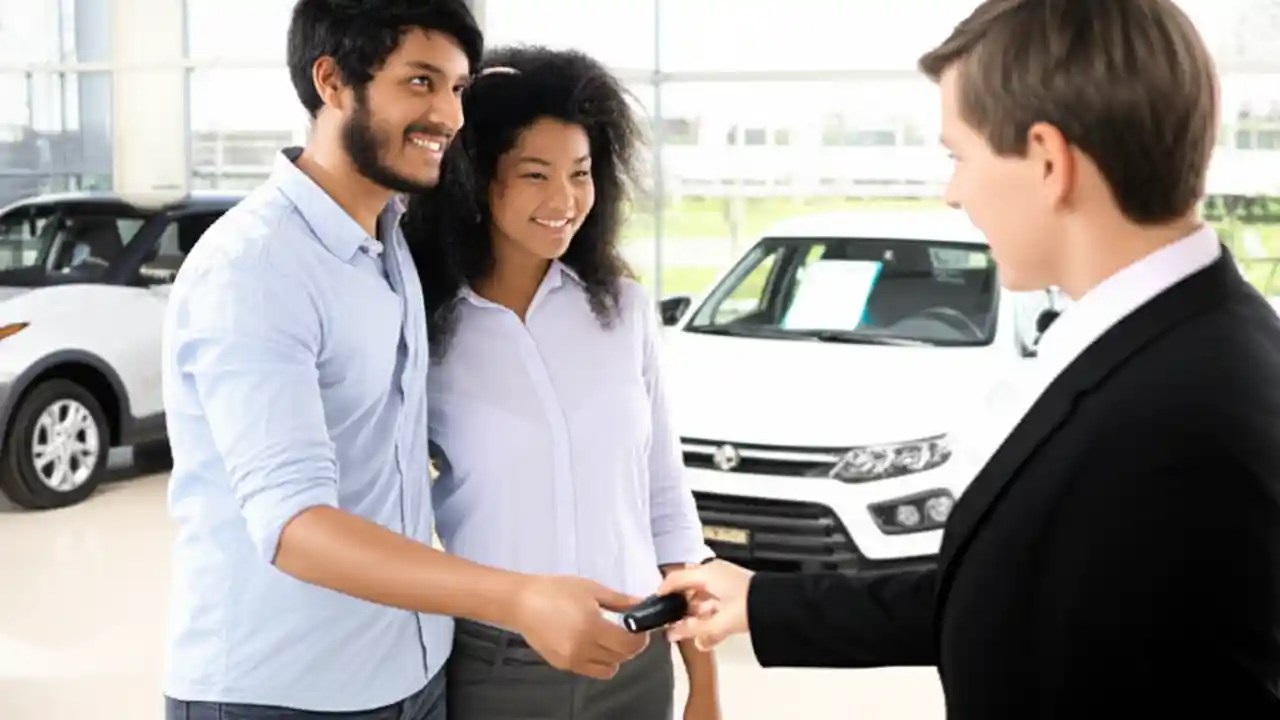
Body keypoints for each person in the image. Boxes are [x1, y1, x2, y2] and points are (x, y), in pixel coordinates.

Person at [659, 0, 1280, 718]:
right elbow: (1016, 588)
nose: (953, 193)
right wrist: (763, 602)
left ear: (1050, 162)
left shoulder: (1192, 408)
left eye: (960, 155)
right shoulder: (1154, 340)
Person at [160, 3, 647, 718]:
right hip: (282, 694)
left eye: (456, 88)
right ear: (330, 82)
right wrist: (518, 596)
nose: (447, 115)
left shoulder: (392, 249)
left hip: (410, 676)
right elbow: (296, 526)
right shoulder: (256, 267)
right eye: (419, 82)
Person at [402, 46, 721, 720]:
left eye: (580, 173)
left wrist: (706, 685)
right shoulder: (427, 328)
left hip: (639, 657)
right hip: (493, 667)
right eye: (535, 174)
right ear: (478, 182)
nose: (564, 200)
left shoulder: (622, 311)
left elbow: (666, 498)